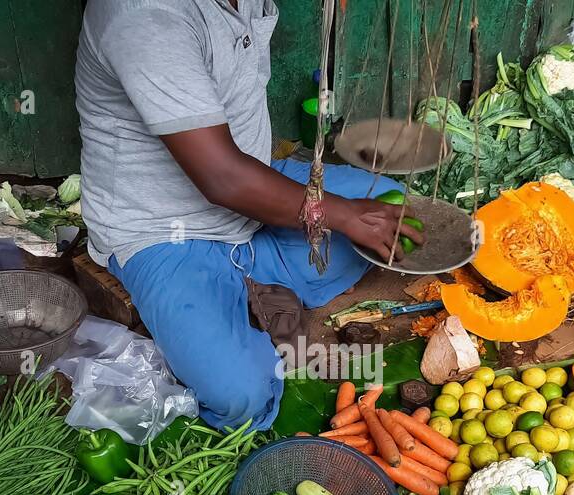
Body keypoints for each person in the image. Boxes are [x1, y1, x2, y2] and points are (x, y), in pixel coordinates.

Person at [75, 0, 421, 430]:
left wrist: (344, 214)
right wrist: (342, 215)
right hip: (166, 232)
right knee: (241, 395)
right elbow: (222, 178)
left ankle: (253, 287)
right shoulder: (144, 14)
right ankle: (243, 301)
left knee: (392, 205)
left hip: (251, 190)